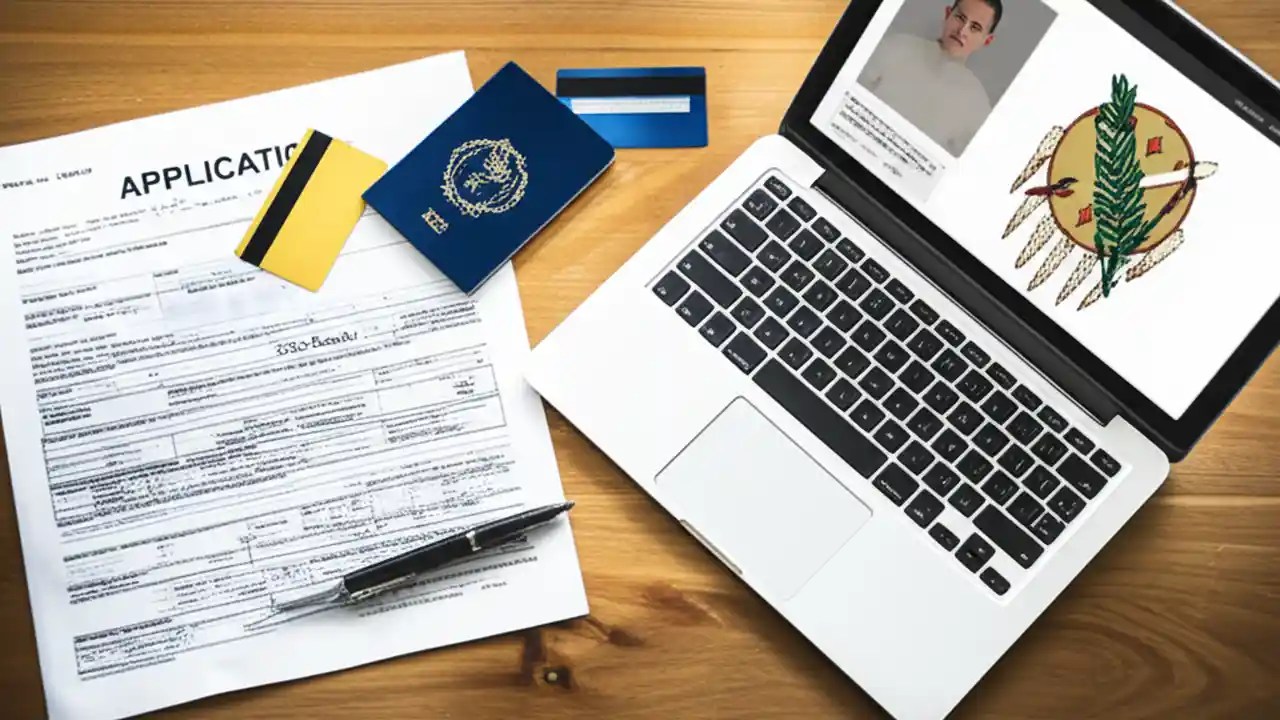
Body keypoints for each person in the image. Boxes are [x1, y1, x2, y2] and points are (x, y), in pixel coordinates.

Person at [858, 0, 1002, 155]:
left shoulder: (977, 105)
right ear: (948, 14)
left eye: (975, 27)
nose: (962, 31)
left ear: (986, 40)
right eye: (960, 17)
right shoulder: (897, 47)